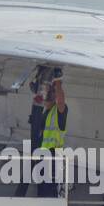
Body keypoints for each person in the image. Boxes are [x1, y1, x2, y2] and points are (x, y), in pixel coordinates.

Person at [29, 69, 68, 198]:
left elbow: (61, 102)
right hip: (43, 157)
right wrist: (38, 91)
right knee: (42, 191)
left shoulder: (58, 112)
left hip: (52, 157)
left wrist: (58, 83)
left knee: (49, 192)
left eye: (48, 93)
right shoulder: (45, 113)